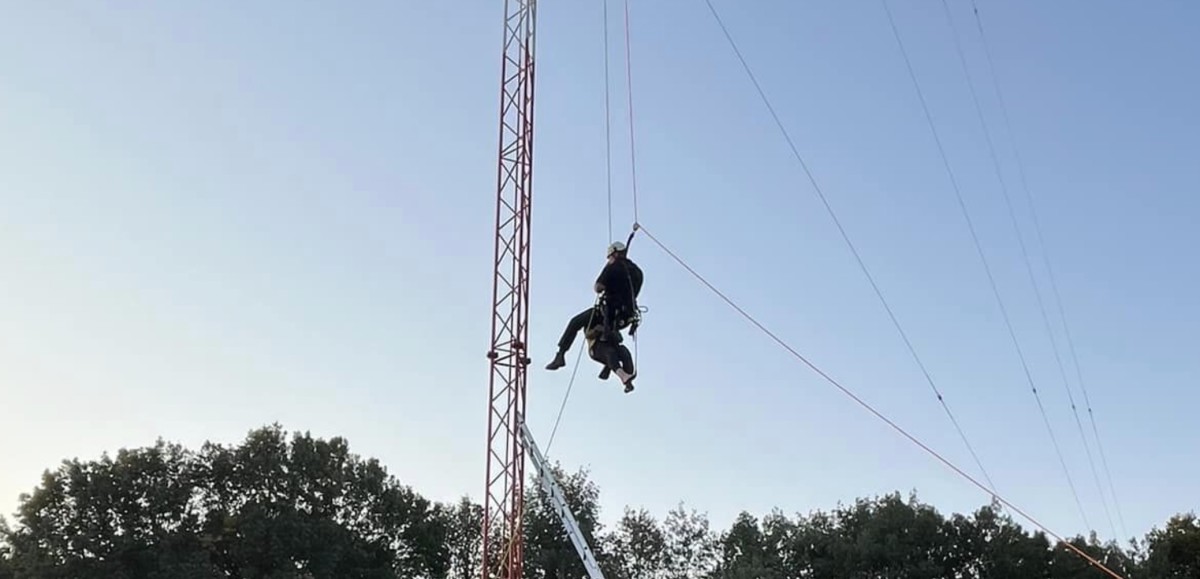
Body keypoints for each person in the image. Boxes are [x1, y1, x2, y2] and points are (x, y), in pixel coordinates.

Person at [545, 240, 643, 377]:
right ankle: (609, 362)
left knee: (575, 322)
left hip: (608, 313)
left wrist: (607, 270)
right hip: (625, 317)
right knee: (607, 334)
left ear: (614, 254)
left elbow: (598, 288)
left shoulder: (613, 267)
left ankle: (560, 355)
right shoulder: (638, 272)